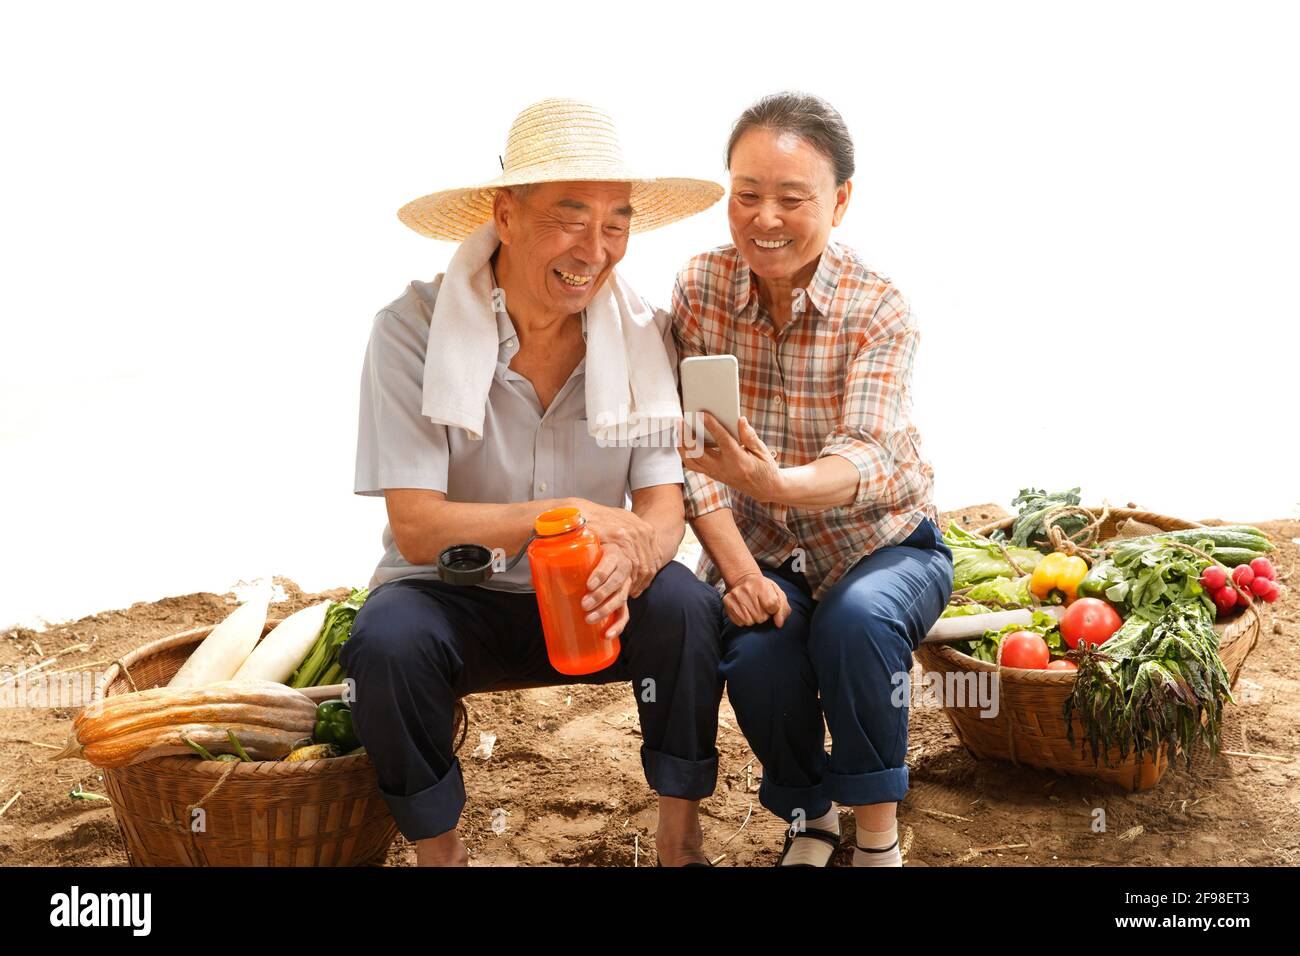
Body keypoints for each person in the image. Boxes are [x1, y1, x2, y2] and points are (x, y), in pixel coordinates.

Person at [343, 98, 727, 866]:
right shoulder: (410, 329)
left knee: (687, 607)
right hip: (455, 597)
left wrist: (636, 558)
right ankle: (440, 854)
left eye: (616, 222)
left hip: (591, 595)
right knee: (384, 644)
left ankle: (679, 841)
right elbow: (418, 526)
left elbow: (661, 510)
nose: (595, 247)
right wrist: (569, 512)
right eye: (569, 216)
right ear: (506, 216)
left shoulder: (643, 334)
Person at [671, 92, 954, 867]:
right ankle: (811, 817)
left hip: (887, 545)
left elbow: (865, 453)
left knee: (854, 622)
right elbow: (692, 461)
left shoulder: (878, 308)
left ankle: (875, 838)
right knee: (759, 651)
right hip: (761, 552)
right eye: (746, 194)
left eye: (791, 199)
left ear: (840, 201)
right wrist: (736, 570)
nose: (765, 218)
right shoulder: (699, 289)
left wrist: (776, 483)